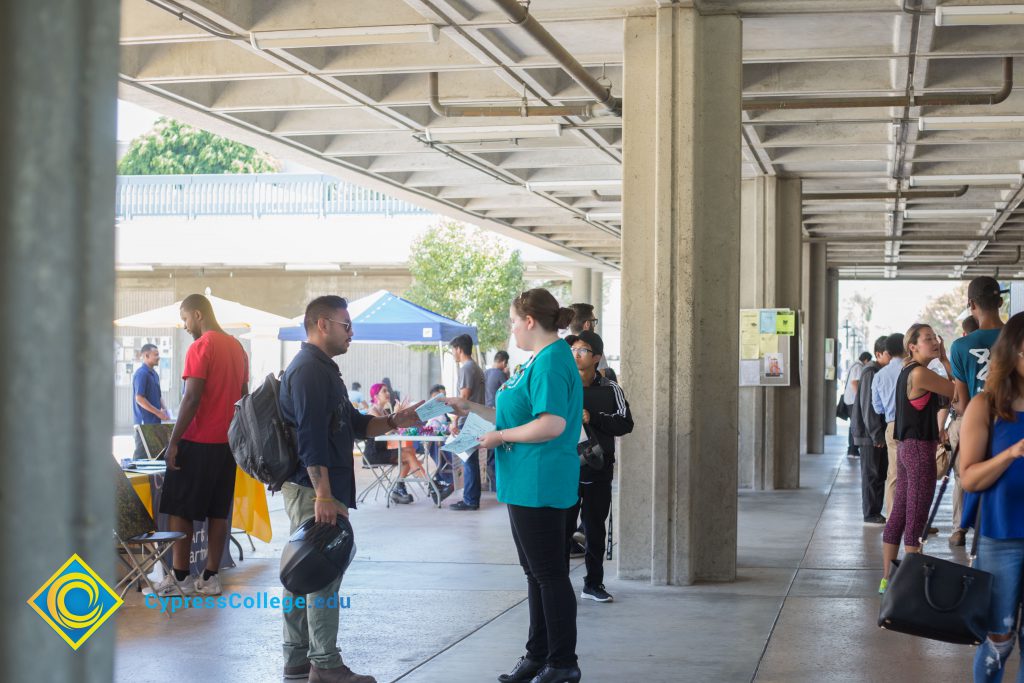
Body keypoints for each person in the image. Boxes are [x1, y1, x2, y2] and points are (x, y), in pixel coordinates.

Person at [278, 295, 421, 683]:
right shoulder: (308, 370)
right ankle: (324, 665)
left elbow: (354, 425)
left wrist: (394, 420)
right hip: (314, 489)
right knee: (321, 572)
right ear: (322, 324)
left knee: (302, 571)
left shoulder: (323, 369)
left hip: (314, 486)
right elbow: (309, 437)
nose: (351, 333)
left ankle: (297, 659)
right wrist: (323, 493)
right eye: (346, 325)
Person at [445, 288, 583, 683]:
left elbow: (551, 424)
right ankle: (538, 656)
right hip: (526, 481)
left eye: (512, 321)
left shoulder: (552, 362)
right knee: (538, 574)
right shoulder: (538, 361)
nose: (511, 329)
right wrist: (469, 407)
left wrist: (500, 437)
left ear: (528, 321)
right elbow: (515, 414)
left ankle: (561, 662)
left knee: (549, 574)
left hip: (540, 482)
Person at [152, 294, 248, 598]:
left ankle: (179, 575)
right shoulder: (237, 348)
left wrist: (174, 441)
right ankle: (209, 577)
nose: (184, 326)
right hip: (227, 444)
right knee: (217, 512)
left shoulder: (201, 346)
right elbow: (244, 397)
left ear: (197, 314)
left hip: (197, 440)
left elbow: (191, 397)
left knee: (180, 509)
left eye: (184, 319)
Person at [957, 312, 1024, 683]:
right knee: (999, 640)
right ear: (1011, 354)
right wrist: (1011, 453)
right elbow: (969, 478)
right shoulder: (986, 406)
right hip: (1001, 537)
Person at [879, 323, 954, 594]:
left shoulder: (906, 371)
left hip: (906, 449)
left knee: (899, 513)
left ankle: (888, 579)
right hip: (920, 450)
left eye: (935, 337)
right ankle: (909, 588)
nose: (934, 341)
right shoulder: (921, 372)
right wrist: (945, 359)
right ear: (912, 346)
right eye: (928, 339)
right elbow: (954, 390)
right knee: (915, 518)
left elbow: (944, 400)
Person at [565, 331, 633, 603]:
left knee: (594, 530)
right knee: (562, 529)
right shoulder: (562, 386)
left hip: (597, 469)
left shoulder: (610, 388)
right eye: (574, 350)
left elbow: (625, 423)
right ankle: (557, 585)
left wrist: (594, 418)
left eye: (582, 351)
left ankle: (593, 584)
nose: (576, 355)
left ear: (596, 357)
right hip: (565, 469)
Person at [949, 276, 1005, 547]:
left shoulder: (960, 346)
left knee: (969, 476)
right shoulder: (1016, 338)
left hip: (976, 424)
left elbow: (962, 400)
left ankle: (963, 529)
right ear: (1001, 302)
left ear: (971, 304)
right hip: (1013, 424)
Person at [367, 383, 423, 505]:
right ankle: (430, 484)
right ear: (375, 395)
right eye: (384, 391)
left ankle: (399, 487)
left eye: (387, 391)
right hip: (375, 453)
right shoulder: (373, 411)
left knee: (409, 451)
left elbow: (396, 429)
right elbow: (387, 431)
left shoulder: (385, 411)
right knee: (408, 454)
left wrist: (400, 416)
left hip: (385, 449)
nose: (388, 393)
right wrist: (395, 416)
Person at [448, 333, 486, 511]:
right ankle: (472, 498)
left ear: (459, 349)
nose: (453, 354)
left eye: (453, 350)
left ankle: (470, 500)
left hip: (468, 419)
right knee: (471, 459)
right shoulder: (476, 367)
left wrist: (454, 420)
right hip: (476, 418)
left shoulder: (467, 368)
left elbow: (463, 397)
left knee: (468, 460)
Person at [856, 336, 891, 524]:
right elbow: (868, 406)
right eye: (889, 354)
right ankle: (870, 513)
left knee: (879, 472)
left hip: (875, 433)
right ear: (878, 354)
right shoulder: (871, 372)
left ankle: (875, 511)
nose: (892, 358)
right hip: (869, 435)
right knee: (871, 473)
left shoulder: (880, 371)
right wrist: (876, 434)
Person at [872, 333, 906, 515]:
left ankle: (893, 518)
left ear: (889, 352)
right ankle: (915, 521)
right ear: (906, 347)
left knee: (894, 474)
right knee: (915, 474)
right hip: (913, 426)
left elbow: (877, 407)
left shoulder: (880, 375)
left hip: (891, 425)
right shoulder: (913, 369)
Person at [132, 343, 169, 457]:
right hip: (144, 426)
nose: (159, 357)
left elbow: (158, 396)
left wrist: (165, 410)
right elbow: (139, 398)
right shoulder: (141, 374)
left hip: (155, 423)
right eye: (156, 354)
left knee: (155, 457)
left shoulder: (154, 374)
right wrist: (158, 412)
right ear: (146, 356)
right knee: (141, 457)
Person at [484, 351, 511, 492]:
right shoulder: (501, 375)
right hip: (497, 415)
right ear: (503, 361)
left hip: (485, 413)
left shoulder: (486, 373)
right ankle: (497, 485)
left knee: (489, 453)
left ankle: (491, 483)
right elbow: (509, 393)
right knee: (497, 450)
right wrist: (508, 374)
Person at [425, 384, 454, 502]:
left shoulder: (443, 412)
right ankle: (439, 483)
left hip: (441, 443)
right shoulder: (430, 413)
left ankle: (438, 483)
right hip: (433, 444)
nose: (445, 398)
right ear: (433, 397)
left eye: (445, 395)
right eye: (442, 396)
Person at [843, 352, 871, 456]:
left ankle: (852, 450)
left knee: (853, 424)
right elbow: (855, 383)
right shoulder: (858, 367)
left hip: (849, 399)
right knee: (855, 424)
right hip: (852, 400)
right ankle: (852, 450)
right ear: (866, 360)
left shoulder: (853, 364)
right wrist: (860, 398)